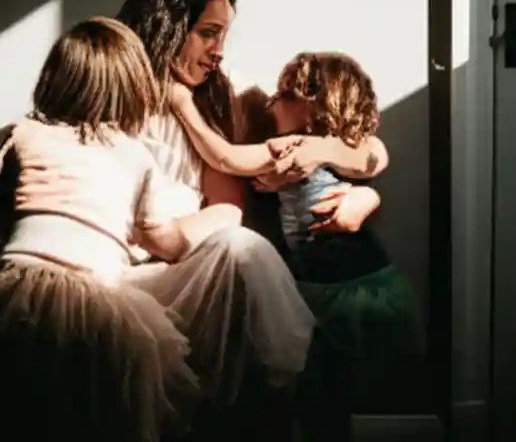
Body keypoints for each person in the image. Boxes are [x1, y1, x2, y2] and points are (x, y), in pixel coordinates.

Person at [114, 0, 388, 439]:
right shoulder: (109, 92)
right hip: (129, 269)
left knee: (241, 248)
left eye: (224, 35)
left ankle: (303, 394)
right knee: (240, 250)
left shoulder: (229, 94)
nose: (218, 51)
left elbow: (367, 148)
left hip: (196, 259)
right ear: (167, 26)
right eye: (208, 33)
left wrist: (355, 188)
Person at [0, 17, 202, 442]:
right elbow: (162, 238)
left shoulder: (21, 133)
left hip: (13, 293)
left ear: (55, 78)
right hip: (96, 303)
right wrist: (186, 240)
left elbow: (0, 201)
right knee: (95, 414)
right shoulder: (137, 156)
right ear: (134, 87)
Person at [171, 51, 427, 439]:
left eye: (285, 94)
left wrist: (183, 107)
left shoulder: (307, 147)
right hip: (320, 286)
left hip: (354, 287)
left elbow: (225, 158)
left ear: (314, 107)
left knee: (339, 391)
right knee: (323, 391)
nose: (271, 101)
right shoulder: (302, 149)